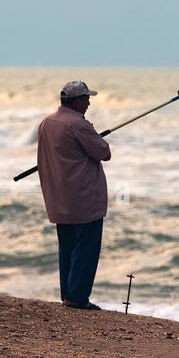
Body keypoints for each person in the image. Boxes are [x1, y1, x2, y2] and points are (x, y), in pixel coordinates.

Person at [37, 80, 111, 310]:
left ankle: (68, 295)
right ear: (78, 101)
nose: (89, 102)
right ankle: (77, 298)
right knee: (86, 251)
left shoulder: (46, 123)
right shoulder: (79, 125)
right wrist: (94, 134)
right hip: (84, 199)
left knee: (67, 249)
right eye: (86, 99)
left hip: (59, 198)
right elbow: (103, 152)